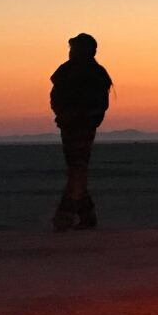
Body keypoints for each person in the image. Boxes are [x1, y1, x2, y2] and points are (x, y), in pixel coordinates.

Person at [49, 33, 112, 231]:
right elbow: (56, 98)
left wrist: (86, 118)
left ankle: (66, 215)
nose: (72, 52)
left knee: (77, 169)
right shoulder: (66, 71)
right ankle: (86, 215)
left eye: (75, 49)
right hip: (69, 126)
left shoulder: (95, 74)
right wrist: (63, 116)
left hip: (83, 127)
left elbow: (100, 104)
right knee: (77, 169)